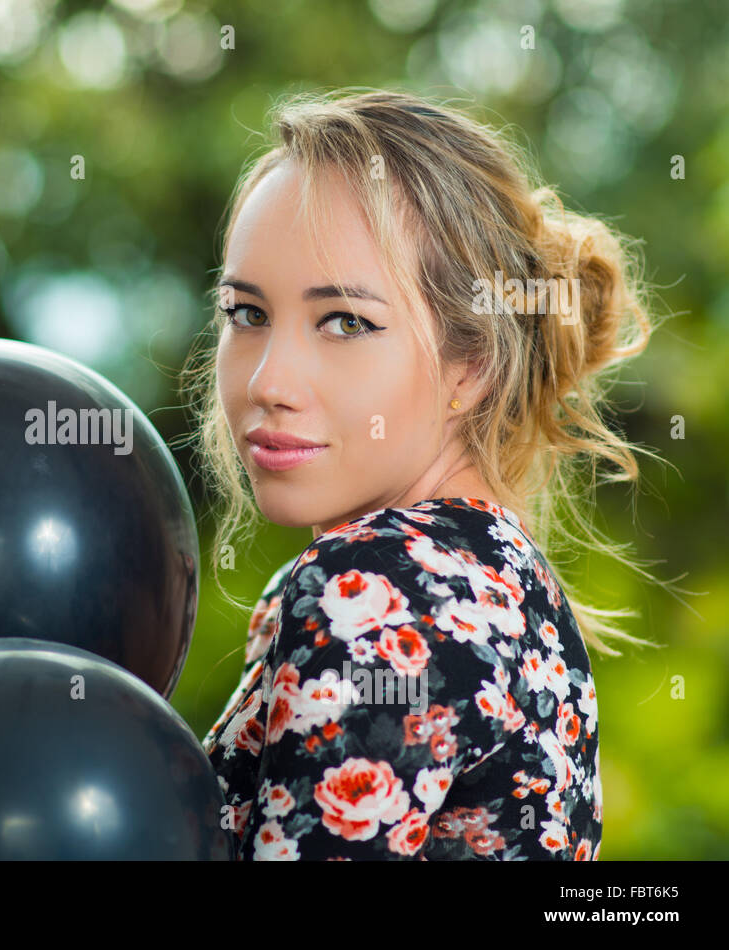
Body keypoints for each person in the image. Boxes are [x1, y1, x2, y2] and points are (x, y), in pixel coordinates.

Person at [185, 88, 671, 860]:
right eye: (246, 313)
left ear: (471, 363)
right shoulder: (498, 577)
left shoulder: (376, 591)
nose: (268, 380)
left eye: (346, 321)